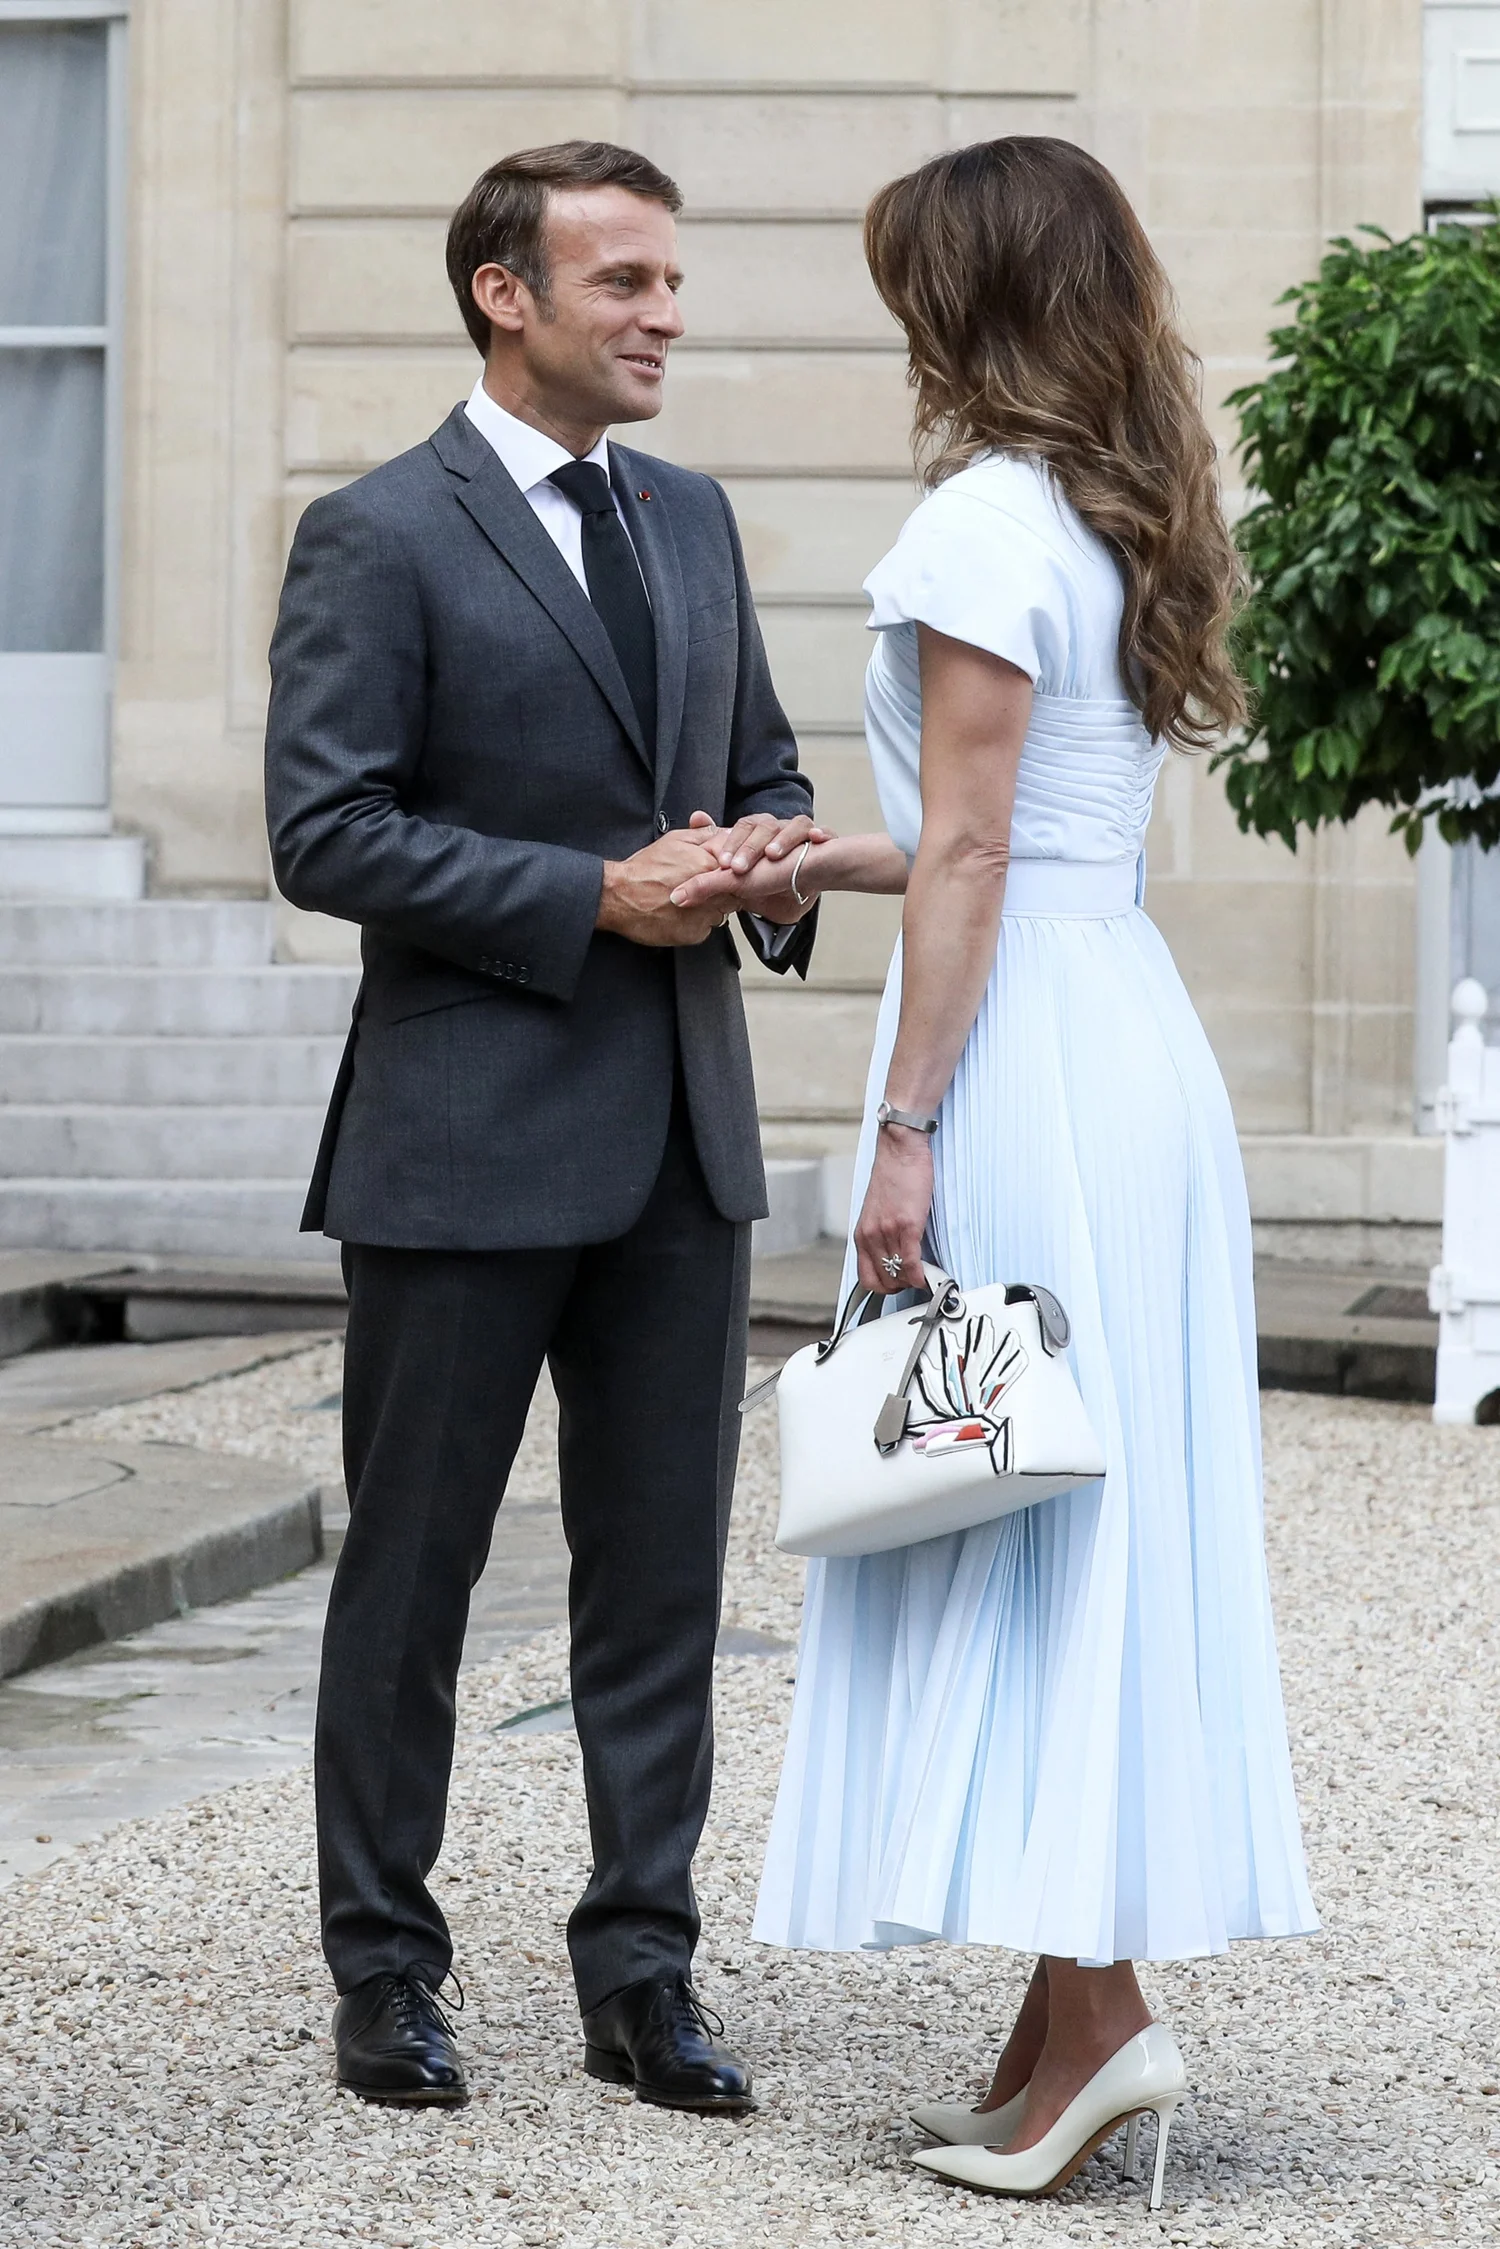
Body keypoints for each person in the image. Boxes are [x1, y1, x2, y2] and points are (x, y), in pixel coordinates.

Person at [676, 136, 1318, 2207]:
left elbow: (974, 849)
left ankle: (1106, 2011)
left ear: (967, 295)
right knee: (1068, 1526)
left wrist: (905, 1124)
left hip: (1023, 1059)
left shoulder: (977, 515)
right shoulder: (1116, 507)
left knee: (1020, 1521)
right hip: (1116, 1023)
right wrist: (819, 848)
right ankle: (1066, 2015)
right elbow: (1016, 828)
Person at [264, 140, 820, 2112]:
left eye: (672, 281)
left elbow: (757, 761)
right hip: (461, 1135)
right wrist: (592, 892)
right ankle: (384, 1968)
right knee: (409, 1579)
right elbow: (325, 832)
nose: (669, 314)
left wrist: (767, 852)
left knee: (661, 1580)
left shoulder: (695, 515)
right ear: (507, 294)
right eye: (629, 283)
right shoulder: (376, 534)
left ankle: (641, 1965)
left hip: (678, 1135)